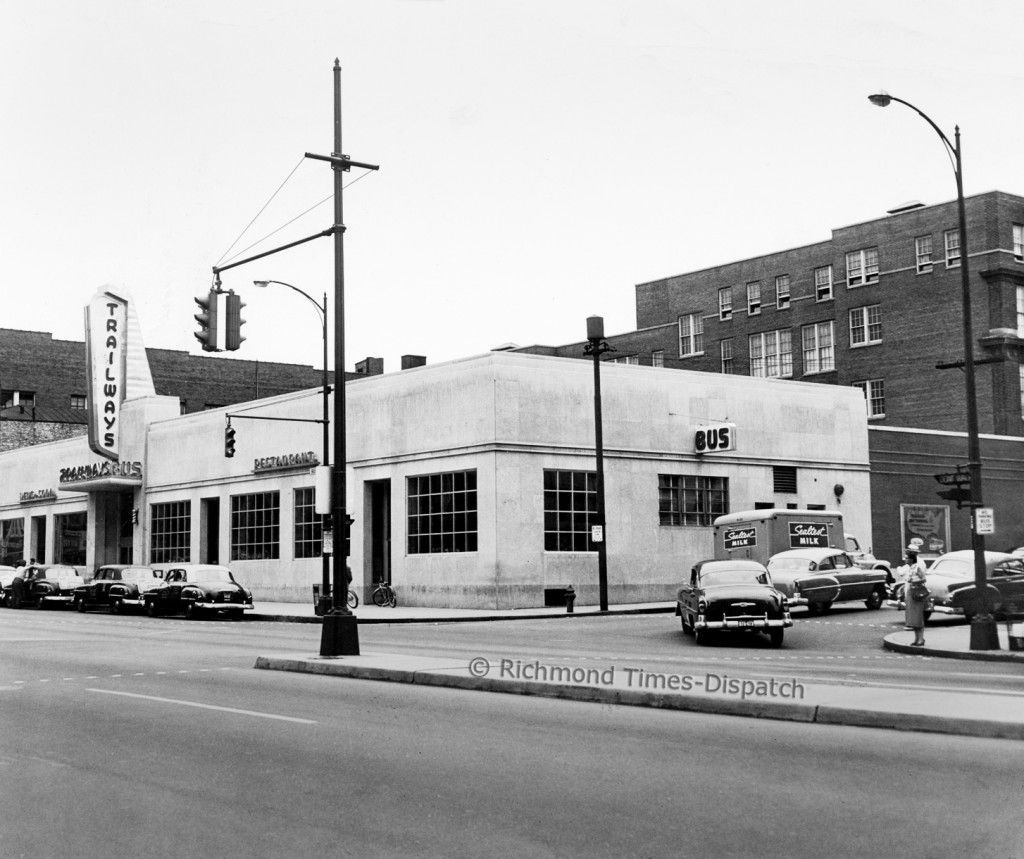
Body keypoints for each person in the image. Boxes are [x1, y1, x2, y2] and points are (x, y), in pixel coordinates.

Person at [902, 543, 929, 646]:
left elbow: (923, 579)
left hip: (916, 593)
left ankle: (921, 639)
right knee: (913, 618)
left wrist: (914, 581)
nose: (905, 559)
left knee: (918, 617)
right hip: (911, 593)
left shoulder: (918, 567)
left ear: (911, 558)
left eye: (907, 558)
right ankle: (917, 638)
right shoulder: (910, 568)